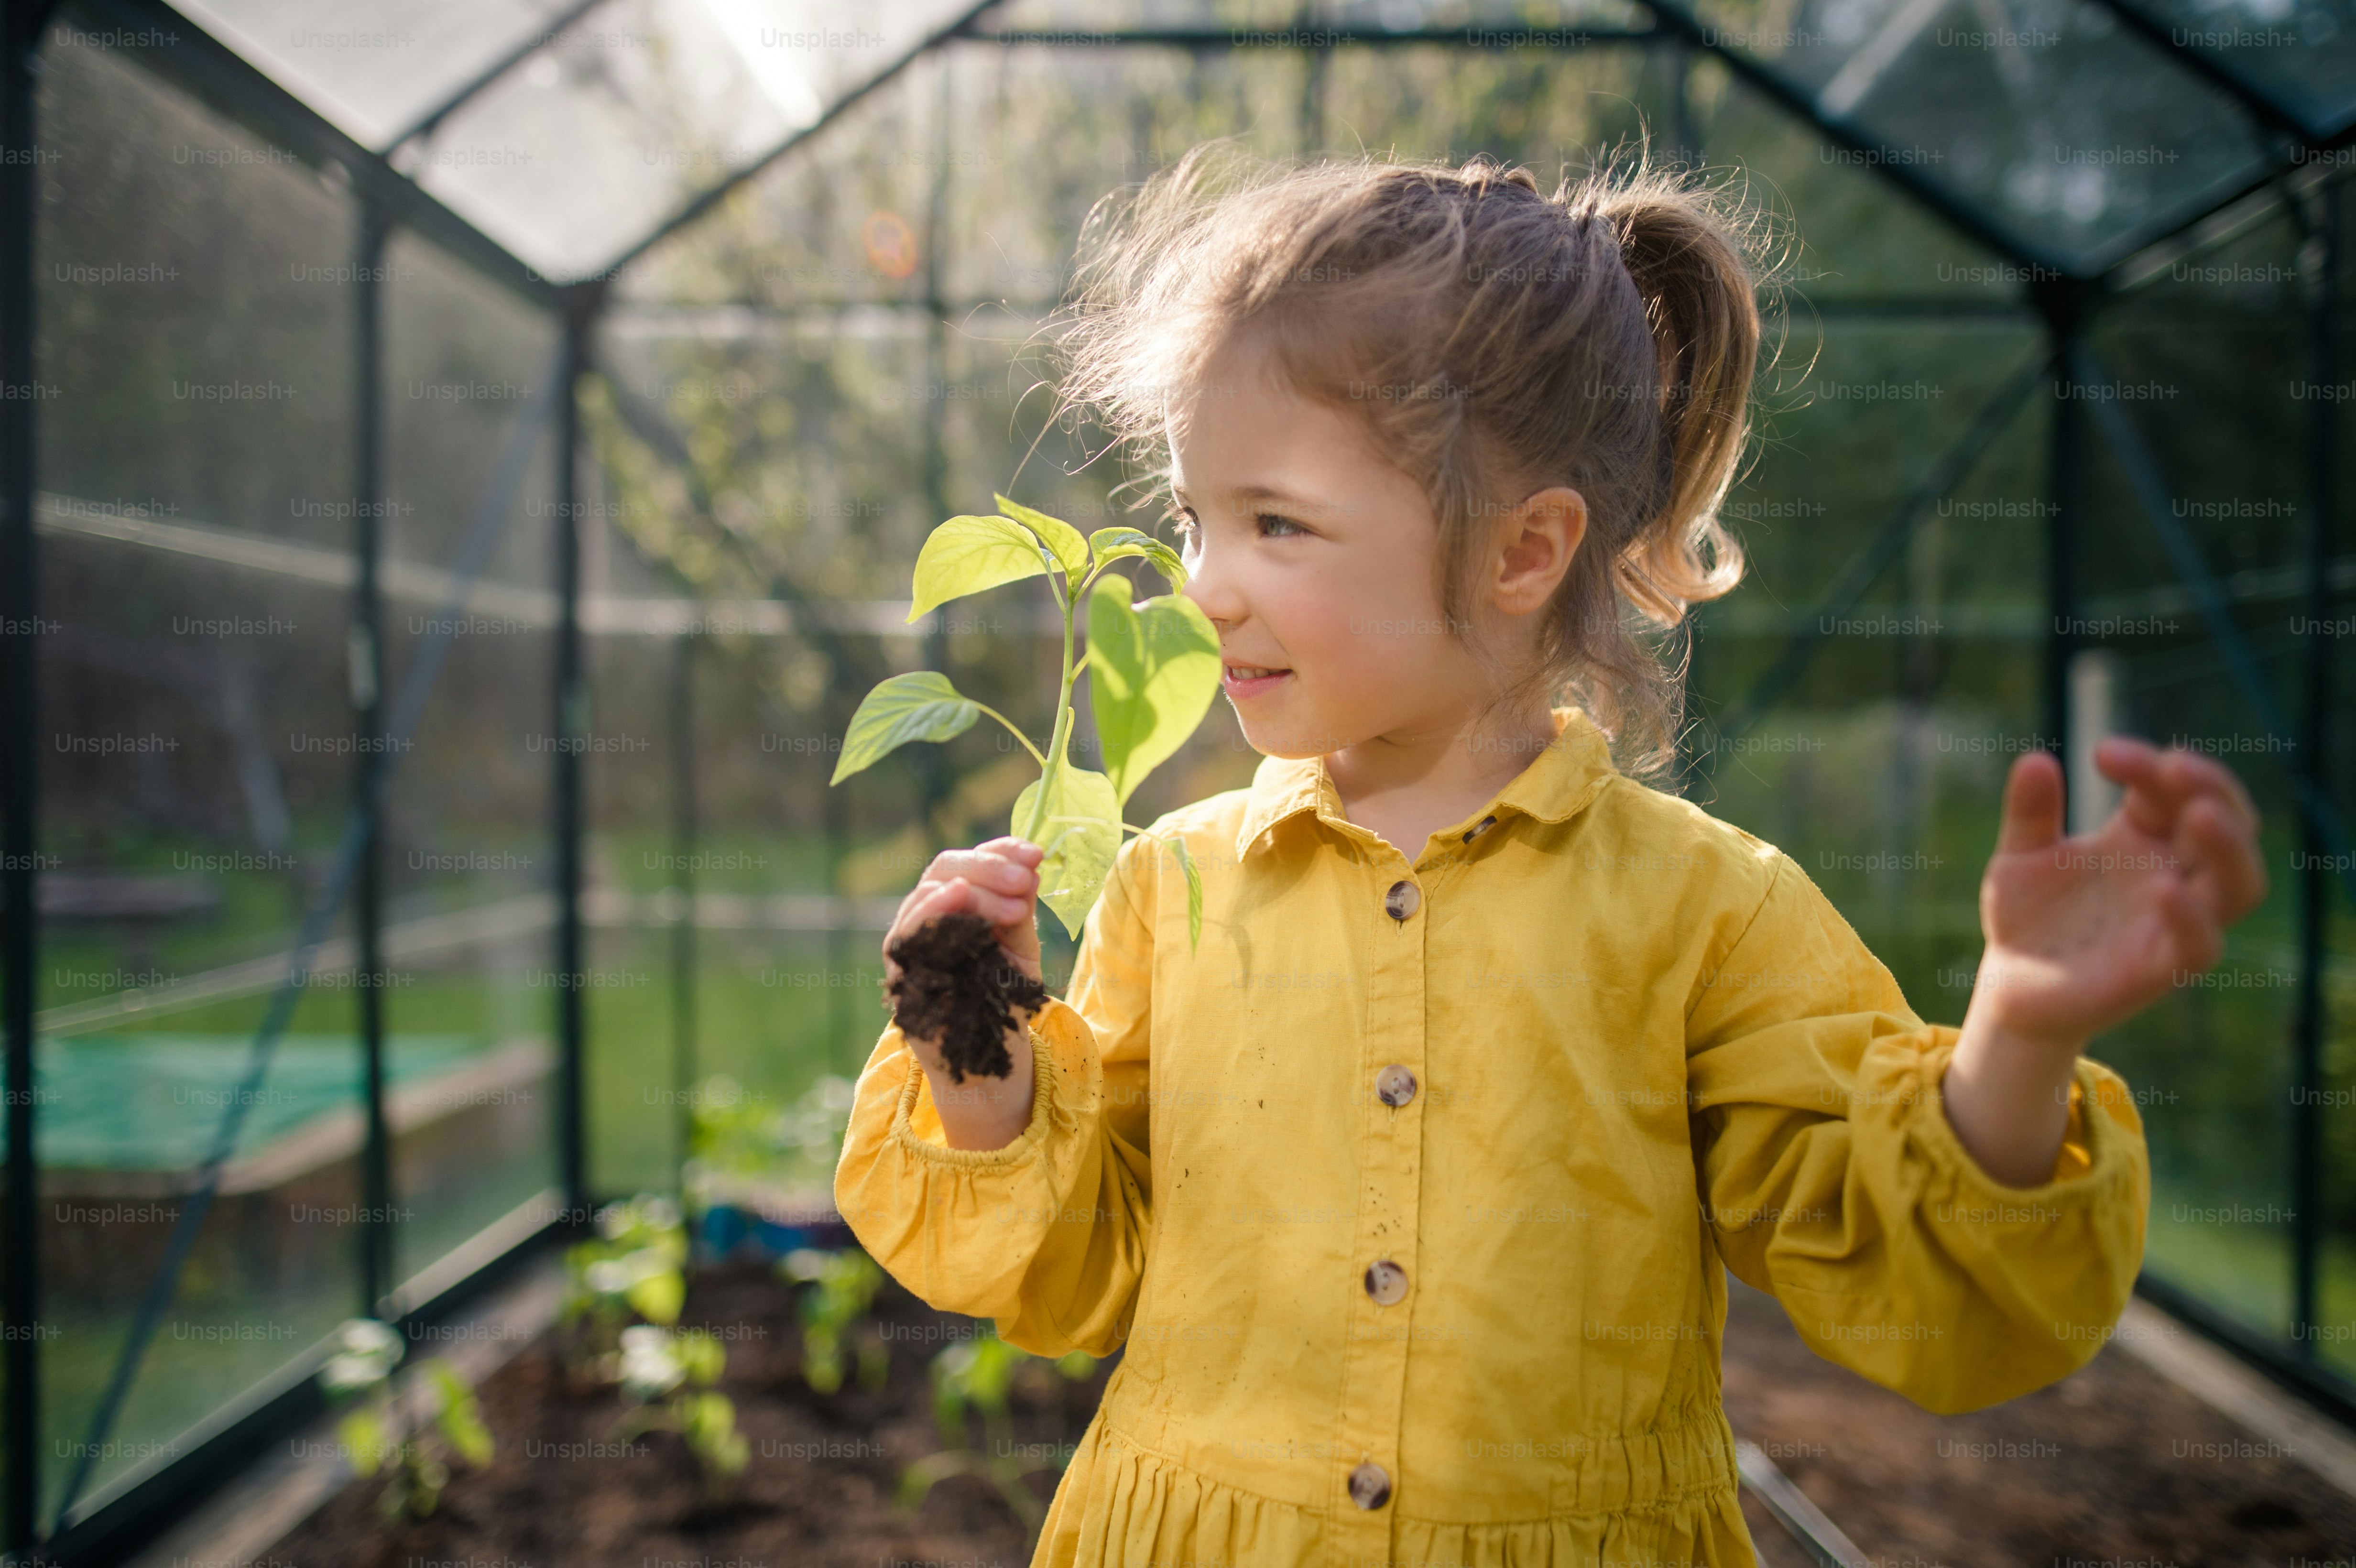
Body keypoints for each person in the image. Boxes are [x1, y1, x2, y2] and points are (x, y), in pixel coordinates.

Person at [835, 147, 2267, 1568]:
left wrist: (2017, 1031)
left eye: (1278, 522)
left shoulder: (1704, 910)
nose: (1204, 580)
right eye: (1198, 516)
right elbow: (1084, 1262)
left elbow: (1905, 1278)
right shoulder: (1174, 884)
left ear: (1522, 555)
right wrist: (981, 1044)